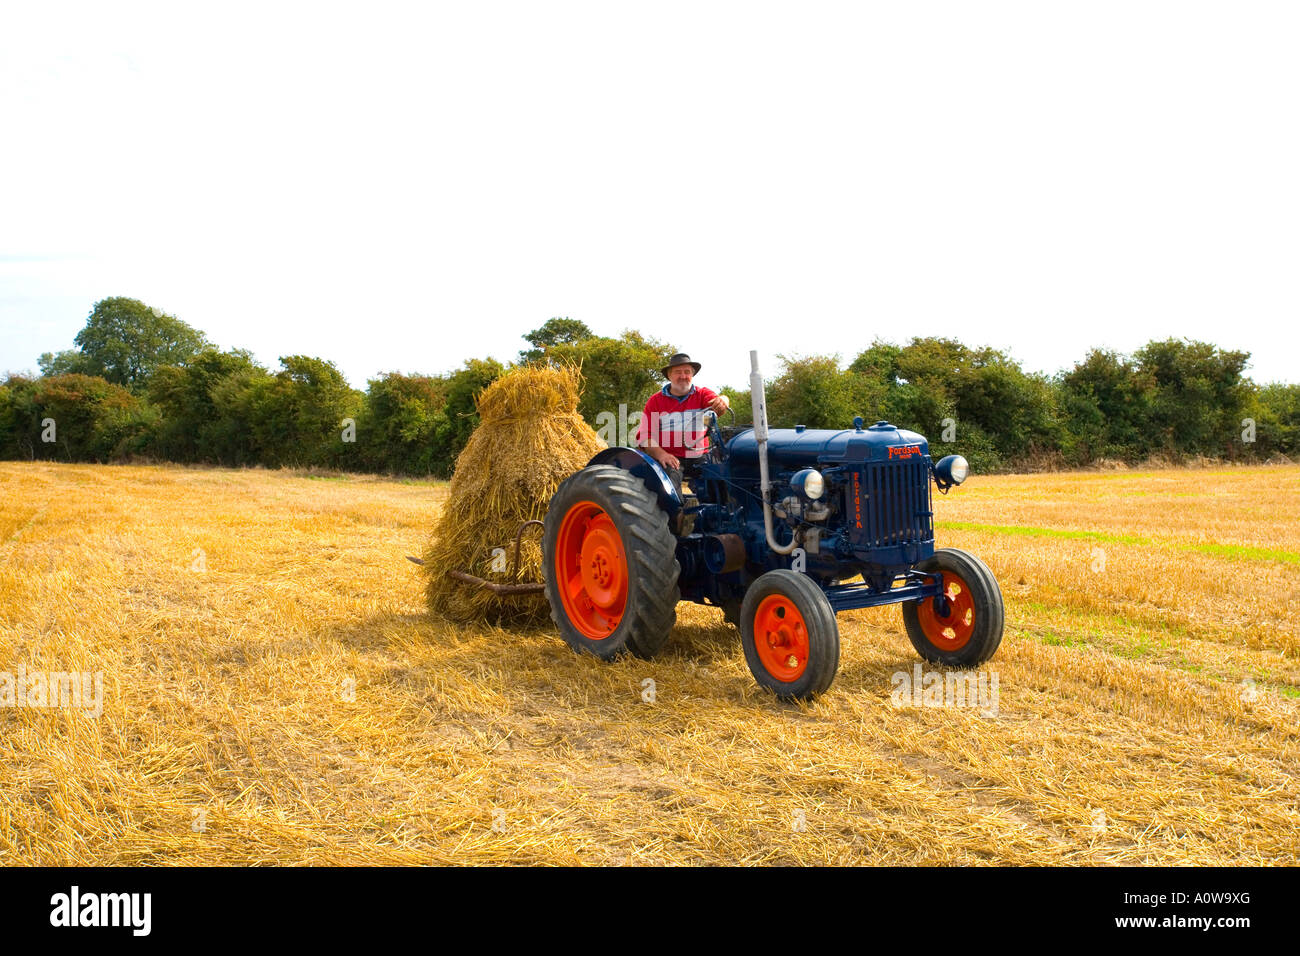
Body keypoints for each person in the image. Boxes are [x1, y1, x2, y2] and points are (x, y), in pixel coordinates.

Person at [636, 353, 730, 488]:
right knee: (668, 490)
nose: (683, 376)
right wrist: (662, 455)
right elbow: (645, 436)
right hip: (671, 457)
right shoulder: (655, 401)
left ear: (692, 375)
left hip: (700, 456)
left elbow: (719, 401)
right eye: (678, 372)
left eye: (687, 372)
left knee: (721, 482)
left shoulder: (702, 394)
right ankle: (677, 508)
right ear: (669, 375)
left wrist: (724, 400)